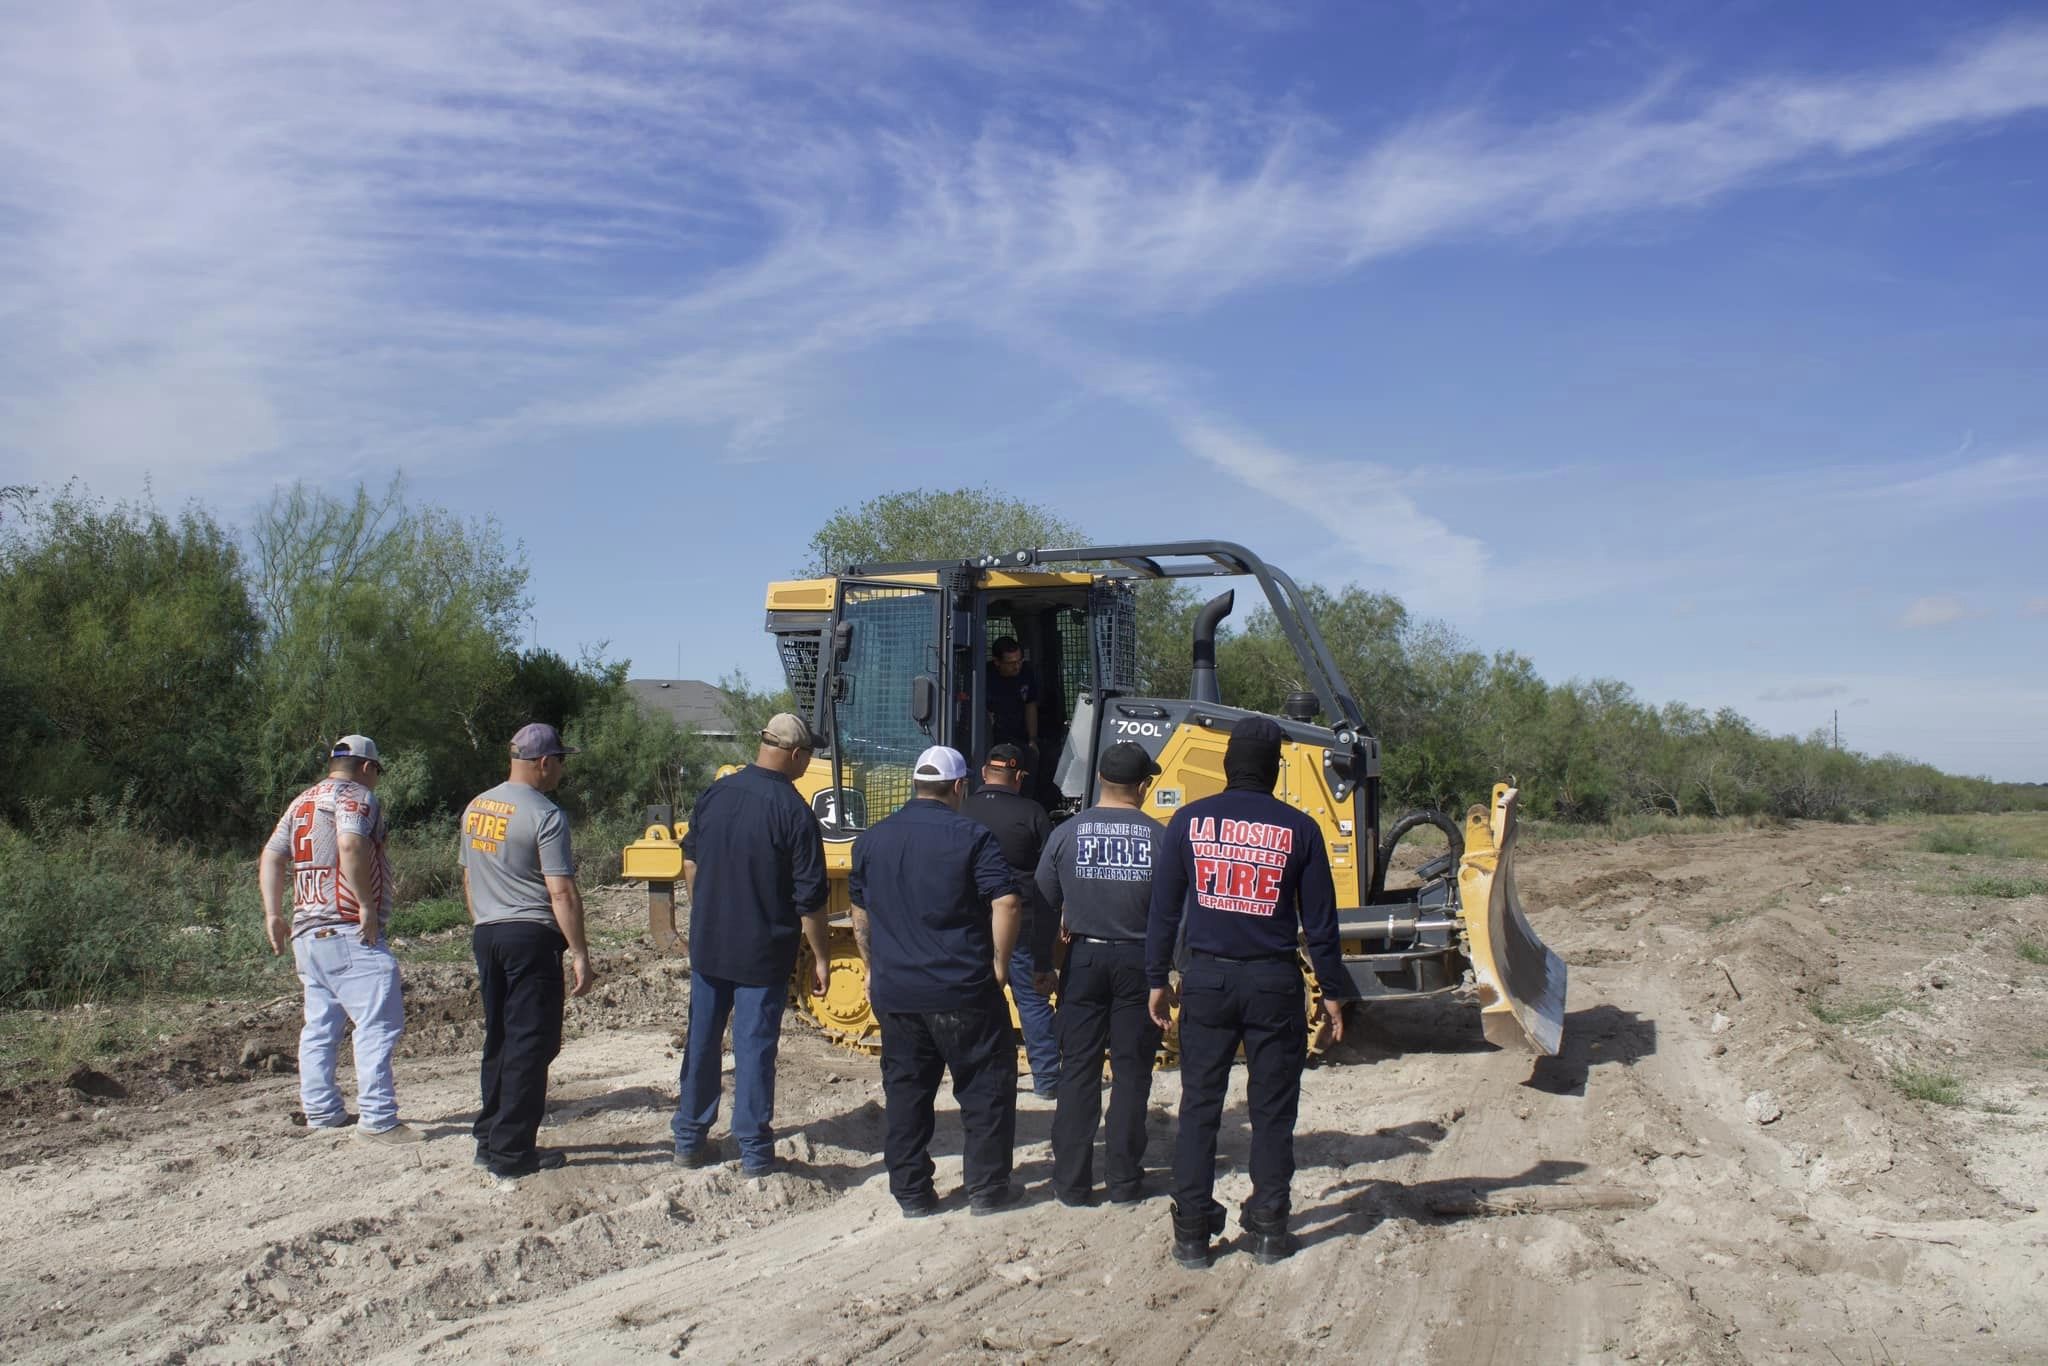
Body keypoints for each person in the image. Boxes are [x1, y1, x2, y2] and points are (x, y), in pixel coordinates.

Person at [1146, 717, 1353, 1268]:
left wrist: (1155, 980)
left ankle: (1191, 1233)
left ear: (1226, 764)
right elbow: (1321, 923)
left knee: (1200, 1108)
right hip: (1272, 981)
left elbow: (1164, 913)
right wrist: (1332, 992)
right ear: (1275, 768)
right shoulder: (1300, 828)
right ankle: (1268, 1228)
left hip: (1207, 981)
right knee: (1272, 1111)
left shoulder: (1187, 822)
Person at [850, 746, 1027, 1218]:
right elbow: (1006, 903)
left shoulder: (872, 841)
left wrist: (871, 968)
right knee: (985, 1087)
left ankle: (911, 1194)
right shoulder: (972, 836)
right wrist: (1000, 965)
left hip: (897, 992)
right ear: (959, 787)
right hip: (962, 988)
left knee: (907, 1092)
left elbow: (859, 912)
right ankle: (988, 1190)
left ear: (914, 784)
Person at [672, 713, 831, 1176]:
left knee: (701, 1041)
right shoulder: (795, 813)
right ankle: (755, 1154)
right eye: (809, 756)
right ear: (796, 755)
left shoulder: (717, 792)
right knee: (755, 1047)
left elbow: (691, 861)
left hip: (710, 947)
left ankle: (689, 1139)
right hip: (762, 953)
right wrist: (821, 957)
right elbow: (811, 901)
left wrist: (704, 913)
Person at [260, 735, 416, 1142]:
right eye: (377, 771)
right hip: (346, 927)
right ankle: (379, 1120)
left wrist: (274, 913)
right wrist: (365, 903)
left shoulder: (301, 802)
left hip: (307, 932)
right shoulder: (357, 797)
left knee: (320, 1026)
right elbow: (350, 842)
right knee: (378, 1022)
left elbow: (272, 855)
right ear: (367, 767)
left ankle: (322, 1111)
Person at [461, 722, 596, 1179]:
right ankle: (513, 1153)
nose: (561, 769)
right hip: (530, 936)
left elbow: (467, 876)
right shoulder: (545, 814)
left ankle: (488, 1138)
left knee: (499, 1037)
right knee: (531, 1044)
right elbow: (561, 892)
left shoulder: (478, 806)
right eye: (560, 760)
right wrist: (579, 951)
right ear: (543, 763)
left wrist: (483, 920)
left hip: (488, 932)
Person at [1037, 741, 1166, 1206]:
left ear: (1100, 783)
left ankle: (1071, 1184)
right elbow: (1174, 914)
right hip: (1138, 962)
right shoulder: (1160, 838)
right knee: (1132, 1075)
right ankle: (1125, 1182)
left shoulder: (1067, 833)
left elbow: (1044, 905)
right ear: (1143, 786)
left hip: (1084, 960)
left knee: (1078, 1072)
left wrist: (1046, 965)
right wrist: (1169, 974)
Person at [963, 743, 1059, 1100]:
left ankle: (978, 1077)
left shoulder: (963, 809)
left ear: (985, 773)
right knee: (1032, 1002)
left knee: (972, 1000)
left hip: (972, 923)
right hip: (1022, 921)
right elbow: (1050, 877)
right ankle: (1047, 1081)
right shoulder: (1033, 812)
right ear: (1019, 777)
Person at [984, 636, 1039, 763]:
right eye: (1011, 663)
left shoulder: (1026, 672)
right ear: (997, 662)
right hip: (995, 737)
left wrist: (1032, 740)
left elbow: (1030, 705)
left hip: (1020, 735)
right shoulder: (986, 676)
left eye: (1019, 661)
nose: (1017, 667)